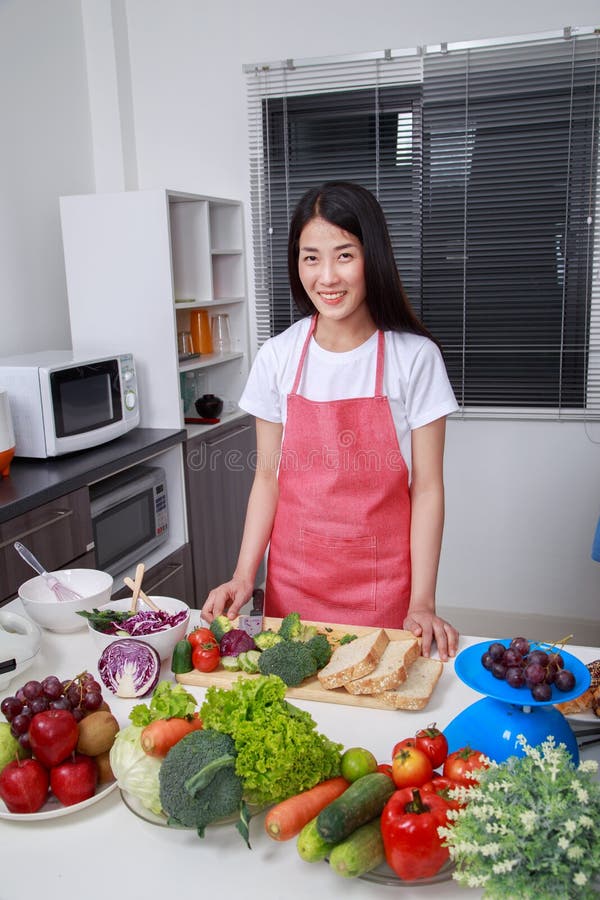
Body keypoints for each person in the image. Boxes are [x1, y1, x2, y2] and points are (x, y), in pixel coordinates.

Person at [202, 181, 459, 659]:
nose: (327, 277)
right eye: (310, 258)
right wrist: (243, 575)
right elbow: (267, 479)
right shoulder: (278, 357)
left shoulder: (415, 358)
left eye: (344, 255)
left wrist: (423, 601)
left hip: (382, 589)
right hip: (293, 589)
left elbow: (428, 489)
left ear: (373, 257)